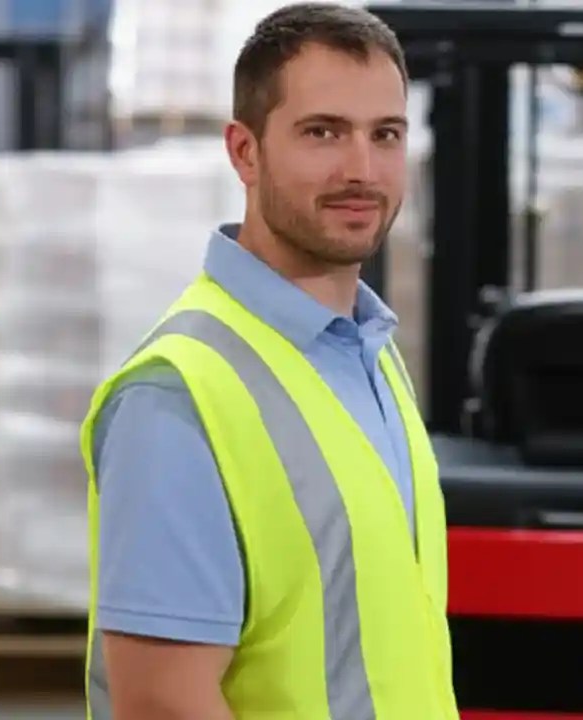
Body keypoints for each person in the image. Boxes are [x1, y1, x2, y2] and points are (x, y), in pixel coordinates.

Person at [78, 4, 459, 718]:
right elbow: (165, 705)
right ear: (244, 152)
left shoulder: (368, 353)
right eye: (323, 133)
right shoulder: (178, 396)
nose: (362, 169)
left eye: (386, 135)